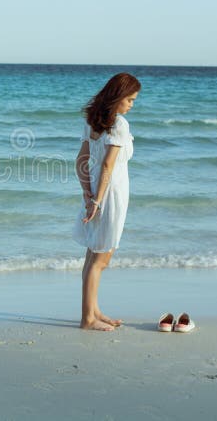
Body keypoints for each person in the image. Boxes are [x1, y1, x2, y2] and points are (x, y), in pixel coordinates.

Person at [73, 72, 140, 331]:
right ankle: (87, 319)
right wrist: (98, 201)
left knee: (92, 255)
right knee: (101, 259)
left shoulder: (93, 121)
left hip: (96, 191)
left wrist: (87, 193)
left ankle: (93, 310)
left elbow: (81, 160)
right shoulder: (119, 124)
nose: (132, 105)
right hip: (110, 195)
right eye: (131, 100)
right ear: (119, 97)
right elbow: (109, 164)